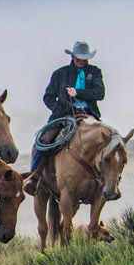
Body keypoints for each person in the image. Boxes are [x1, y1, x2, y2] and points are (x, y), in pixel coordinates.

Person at [31, 40, 105, 193]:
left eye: (84, 58)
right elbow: (48, 97)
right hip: (64, 115)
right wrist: (59, 109)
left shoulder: (95, 72)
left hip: (89, 115)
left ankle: (107, 178)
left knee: (105, 140)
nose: (81, 60)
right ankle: (35, 175)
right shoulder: (60, 74)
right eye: (78, 57)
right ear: (72, 56)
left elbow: (100, 93)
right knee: (45, 139)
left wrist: (79, 92)